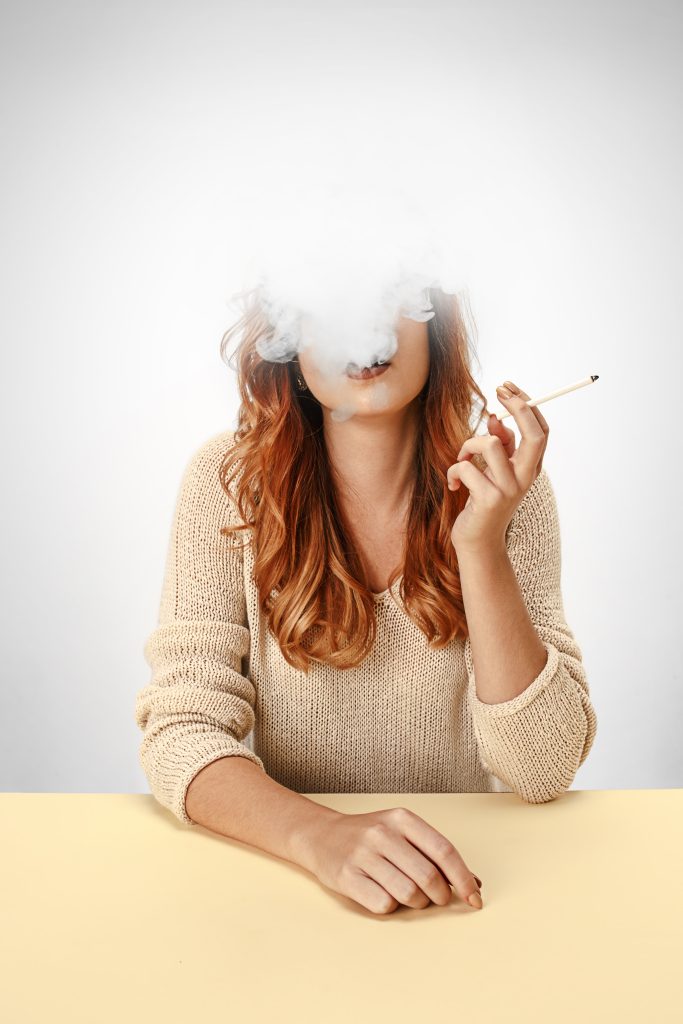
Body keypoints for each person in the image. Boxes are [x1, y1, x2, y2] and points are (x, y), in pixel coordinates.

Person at [134, 285, 597, 915]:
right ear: (288, 339)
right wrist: (319, 835)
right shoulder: (228, 485)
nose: (363, 323)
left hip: (460, 890)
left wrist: (482, 547)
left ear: (436, 324)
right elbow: (181, 732)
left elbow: (543, 766)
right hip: (284, 886)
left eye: (391, 291)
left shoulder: (505, 491)